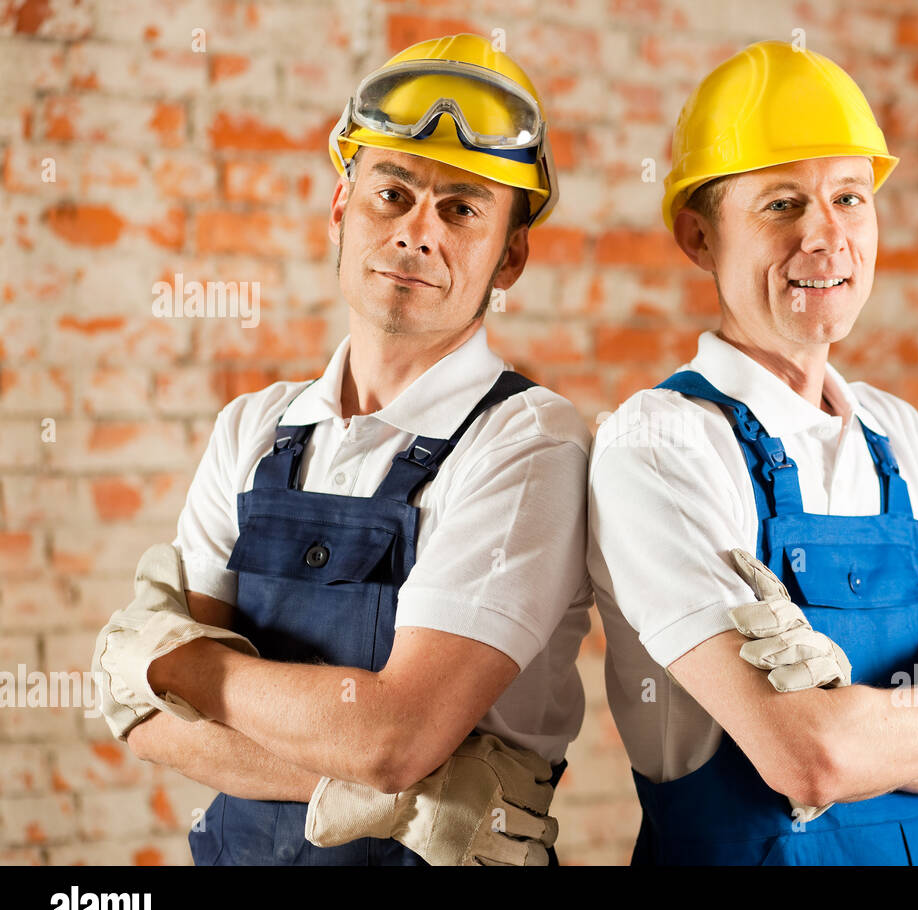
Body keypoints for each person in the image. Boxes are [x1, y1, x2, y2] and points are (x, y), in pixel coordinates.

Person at [91, 34, 592, 866]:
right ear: (340, 209)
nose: (416, 233)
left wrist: (185, 667)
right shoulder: (252, 429)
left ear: (511, 255)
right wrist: (406, 802)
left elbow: (396, 736)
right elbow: (150, 727)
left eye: (462, 209)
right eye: (391, 194)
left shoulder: (531, 442)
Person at [588, 40, 918, 866]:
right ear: (699, 236)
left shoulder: (901, 438)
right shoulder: (658, 442)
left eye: (849, 197)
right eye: (780, 205)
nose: (826, 237)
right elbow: (811, 758)